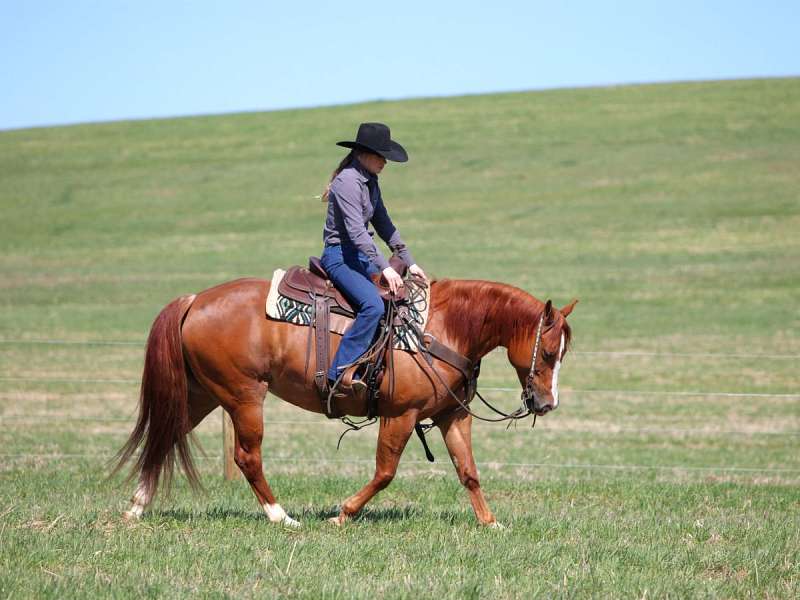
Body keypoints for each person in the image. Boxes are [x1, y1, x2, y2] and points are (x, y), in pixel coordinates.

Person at [320, 122, 426, 396]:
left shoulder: (370, 182)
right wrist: (385, 268)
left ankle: (377, 367)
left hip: (359, 256)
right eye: (381, 156)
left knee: (399, 299)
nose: (385, 162)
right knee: (373, 306)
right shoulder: (347, 182)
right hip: (340, 256)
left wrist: (410, 262)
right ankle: (338, 374)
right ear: (364, 153)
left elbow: (385, 225)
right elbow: (356, 231)